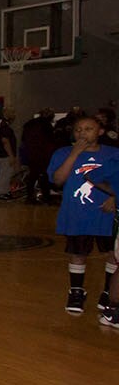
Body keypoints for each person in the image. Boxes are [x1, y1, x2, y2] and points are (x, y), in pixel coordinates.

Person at [49, 115, 118, 320]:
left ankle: (108, 291)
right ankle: (77, 291)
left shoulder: (113, 154)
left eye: (88, 129)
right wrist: (75, 153)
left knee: (113, 254)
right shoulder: (63, 153)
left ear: (100, 132)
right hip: (77, 214)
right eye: (78, 129)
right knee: (78, 253)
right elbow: (58, 180)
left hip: (107, 215)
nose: (82, 133)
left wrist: (115, 197)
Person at [20, 109, 56, 204]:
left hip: (31, 154)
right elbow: (50, 141)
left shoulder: (29, 124)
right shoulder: (46, 125)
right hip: (43, 154)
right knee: (44, 176)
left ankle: (30, 197)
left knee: (32, 176)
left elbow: (23, 140)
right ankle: (46, 196)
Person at [0, 109, 20, 199]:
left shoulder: (0, 124)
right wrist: (11, 156)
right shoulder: (3, 125)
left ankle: (6, 191)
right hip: (3, 155)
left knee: (7, 173)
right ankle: (1, 193)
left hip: (1, 154)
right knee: (5, 174)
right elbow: (5, 141)